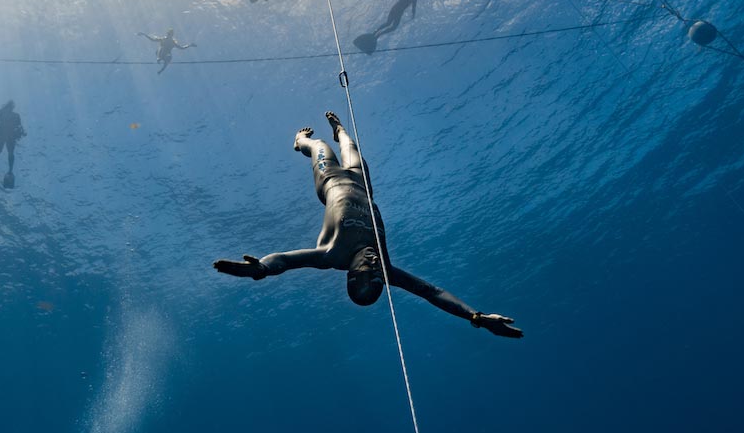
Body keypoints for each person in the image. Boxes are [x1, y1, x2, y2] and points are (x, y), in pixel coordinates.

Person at [213, 112, 521, 338]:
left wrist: (261, 270)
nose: (375, 266)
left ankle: (300, 141)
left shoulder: (331, 255)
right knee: (350, 143)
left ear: (351, 273)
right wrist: (476, 317)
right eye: (377, 275)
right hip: (362, 184)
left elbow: (285, 260)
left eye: (367, 271)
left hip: (330, 179)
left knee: (318, 144)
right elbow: (433, 292)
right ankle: (341, 132)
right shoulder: (386, 268)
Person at [354, 0, 422, 53]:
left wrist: (413, 14)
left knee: (391, 26)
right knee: (389, 24)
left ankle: (376, 35)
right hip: (397, 9)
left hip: (397, 10)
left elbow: (414, 7)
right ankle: (375, 35)